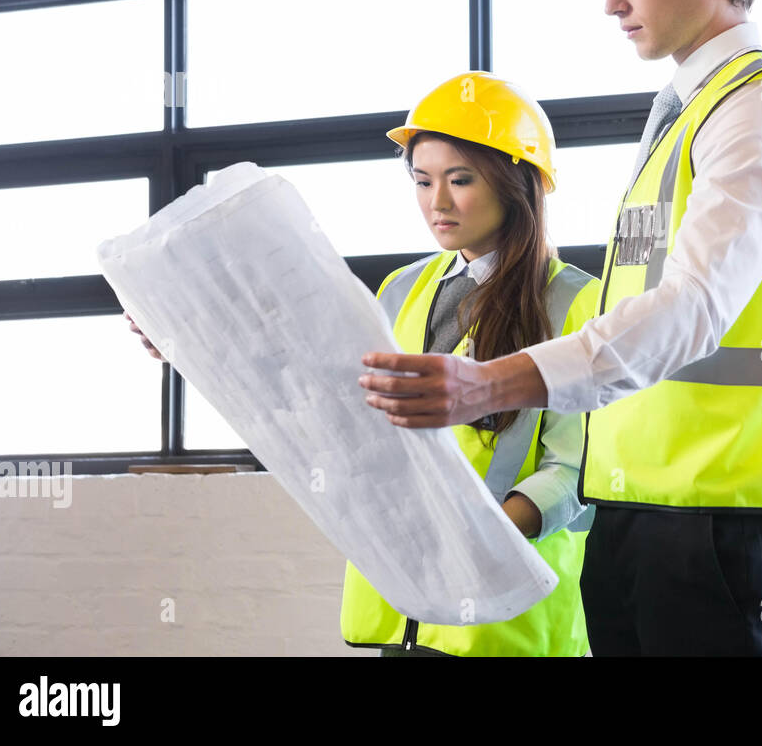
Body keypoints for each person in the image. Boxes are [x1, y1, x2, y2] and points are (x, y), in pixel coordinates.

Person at [358, 0, 762, 657]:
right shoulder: (688, 116)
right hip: (639, 512)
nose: (612, 1)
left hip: (719, 521)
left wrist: (489, 386)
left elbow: (694, 309)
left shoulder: (761, 112)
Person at [133, 71, 600, 657]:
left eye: (461, 180)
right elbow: (331, 400)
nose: (439, 202)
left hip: (507, 617)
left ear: (516, 184)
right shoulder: (403, 288)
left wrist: (488, 538)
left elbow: (581, 467)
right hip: (405, 602)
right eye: (423, 180)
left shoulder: (579, 302)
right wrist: (191, 345)